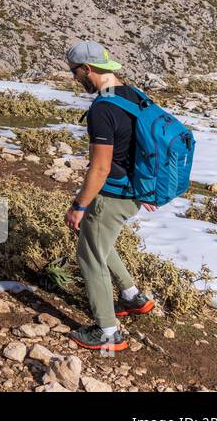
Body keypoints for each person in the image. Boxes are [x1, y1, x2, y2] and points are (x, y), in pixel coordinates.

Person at [63, 40, 157, 352]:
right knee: (99, 239)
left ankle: (107, 332)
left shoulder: (103, 108)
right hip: (136, 191)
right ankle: (132, 298)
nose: (76, 79)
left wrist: (79, 205)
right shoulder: (136, 95)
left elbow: (100, 167)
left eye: (76, 73)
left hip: (113, 194)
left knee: (89, 255)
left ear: (87, 69)